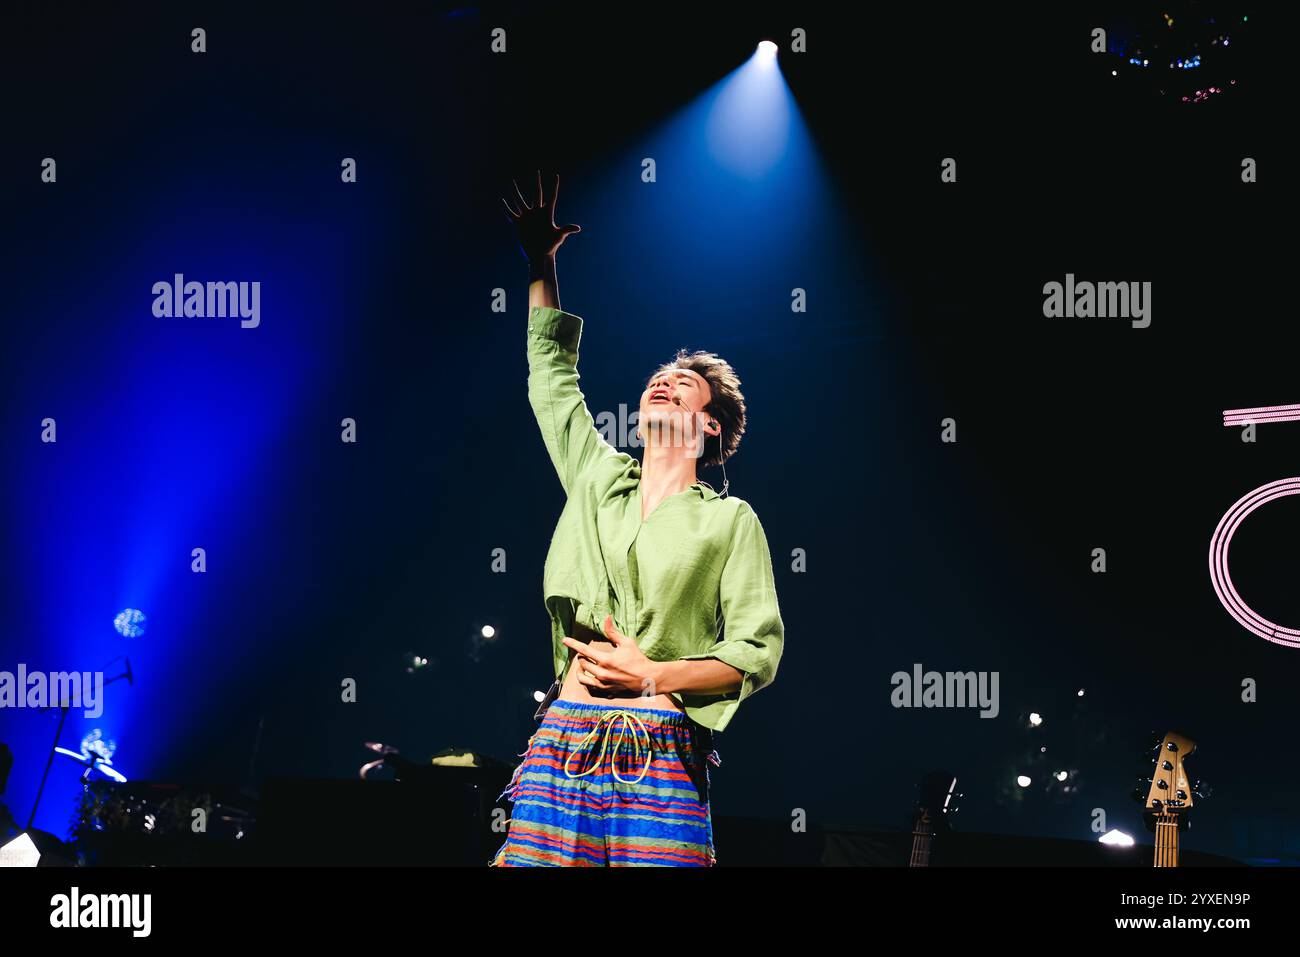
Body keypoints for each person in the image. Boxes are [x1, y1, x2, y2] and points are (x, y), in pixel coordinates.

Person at [488, 171, 784, 866]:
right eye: (659, 373)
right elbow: (551, 377)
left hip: (658, 749)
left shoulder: (730, 521)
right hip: (562, 733)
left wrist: (653, 673)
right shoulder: (597, 478)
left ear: (709, 424)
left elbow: (754, 651)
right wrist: (541, 264)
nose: (663, 378)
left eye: (684, 382)